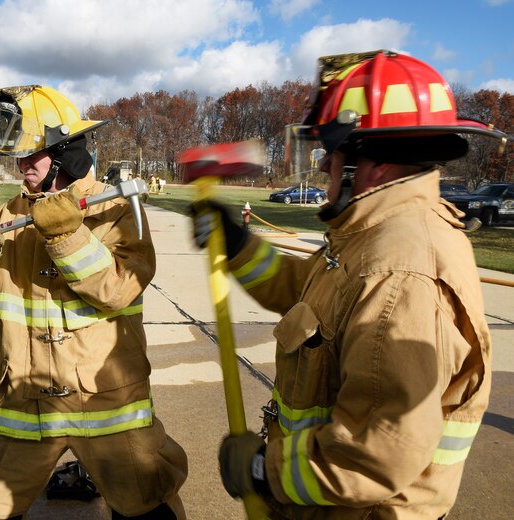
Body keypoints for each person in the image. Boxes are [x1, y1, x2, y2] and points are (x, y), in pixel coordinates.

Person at [192, 50, 508, 518]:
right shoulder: (374, 236)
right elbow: (307, 294)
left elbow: (379, 451)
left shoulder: (399, 268)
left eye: (333, 153)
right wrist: (238, 243)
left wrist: (264, 470)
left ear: (371, 164)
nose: (323, 168)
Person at [0, 85, 187, 520]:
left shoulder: (116, 211)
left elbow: (118, 289)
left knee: (146, 505)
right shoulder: (10, 216)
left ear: (66, 154)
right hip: (20, 401)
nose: (20, 164)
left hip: (107, 405)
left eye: (31, 153)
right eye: (16, 153)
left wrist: (66, 234)